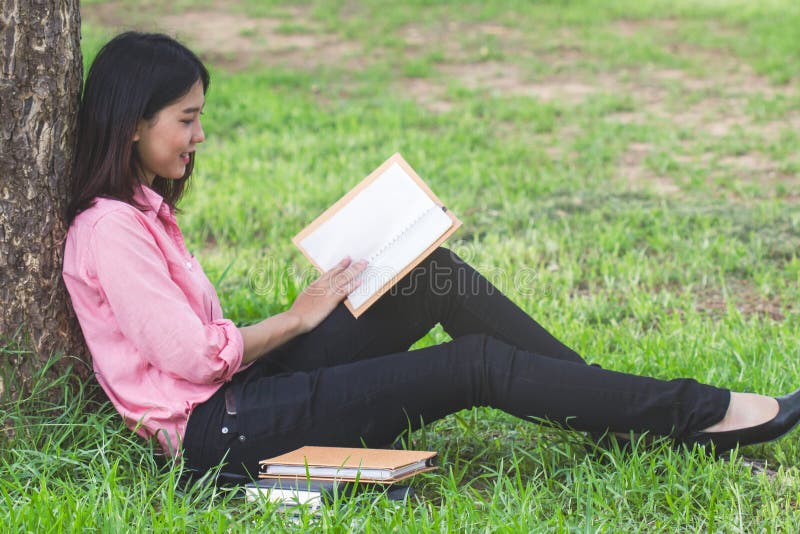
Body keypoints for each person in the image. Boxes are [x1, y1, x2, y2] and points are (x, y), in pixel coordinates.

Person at [63, 32, 800, 480]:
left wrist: (301, 318)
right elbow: (195, 359)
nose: (199, 137)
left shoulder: (143, 215)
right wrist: (295, 318)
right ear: (132, 125)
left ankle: (607, 408)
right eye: (187, 119)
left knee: (433, 276)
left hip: (243, 397)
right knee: (473, 364)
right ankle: (695, 413)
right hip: (220, 434)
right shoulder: (110, 231)